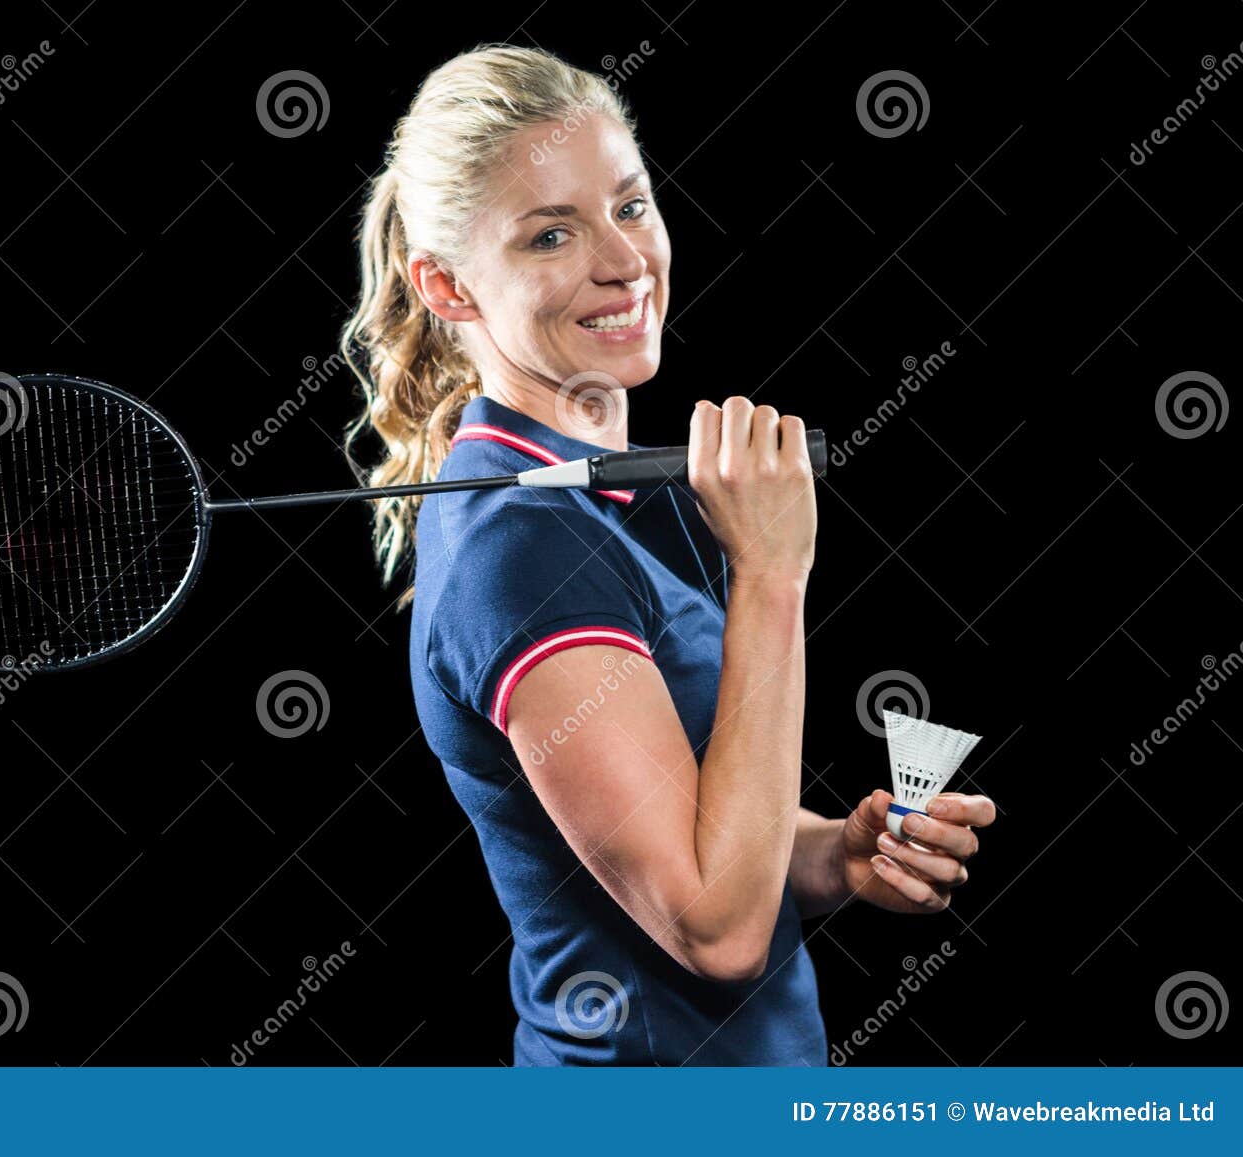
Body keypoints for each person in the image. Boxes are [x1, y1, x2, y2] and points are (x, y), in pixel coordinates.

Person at [341, 45, 996, 1065]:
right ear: (447, 286)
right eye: (550, 233)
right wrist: (776, 574)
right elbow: (715, 928)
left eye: (630, 206)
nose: (622, 260)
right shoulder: (518, 548)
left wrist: (831, 855)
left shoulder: (610, 485)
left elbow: (703, 831)